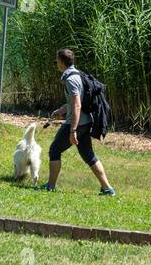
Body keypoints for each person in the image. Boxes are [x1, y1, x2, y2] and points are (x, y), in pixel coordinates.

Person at [43, 48, 114, 195]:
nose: (56, 63)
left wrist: (73, 130)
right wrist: (60, 111)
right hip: (86, 121)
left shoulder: (70, 79)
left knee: (54, 150)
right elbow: (73, 102)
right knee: (88, 154)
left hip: (77, 124)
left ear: (61, 62)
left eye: (56, 61)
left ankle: (50, 186)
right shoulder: (78, 74)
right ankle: (107, 189)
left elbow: (77, 105)